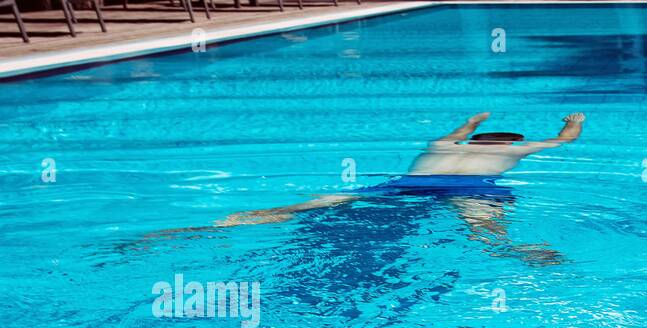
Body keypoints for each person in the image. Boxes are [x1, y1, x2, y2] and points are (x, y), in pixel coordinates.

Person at [216, 112, 585, 226]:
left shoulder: (442, 146)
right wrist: (575, 121)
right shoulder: (518, 149)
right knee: (483, 226)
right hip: (472, 186)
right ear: (506, 144)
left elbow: (459, 131)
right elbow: (565, 139)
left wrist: (472, 123)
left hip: (411, 183)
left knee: (333, 199)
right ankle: (514, 252)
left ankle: (265, 215)